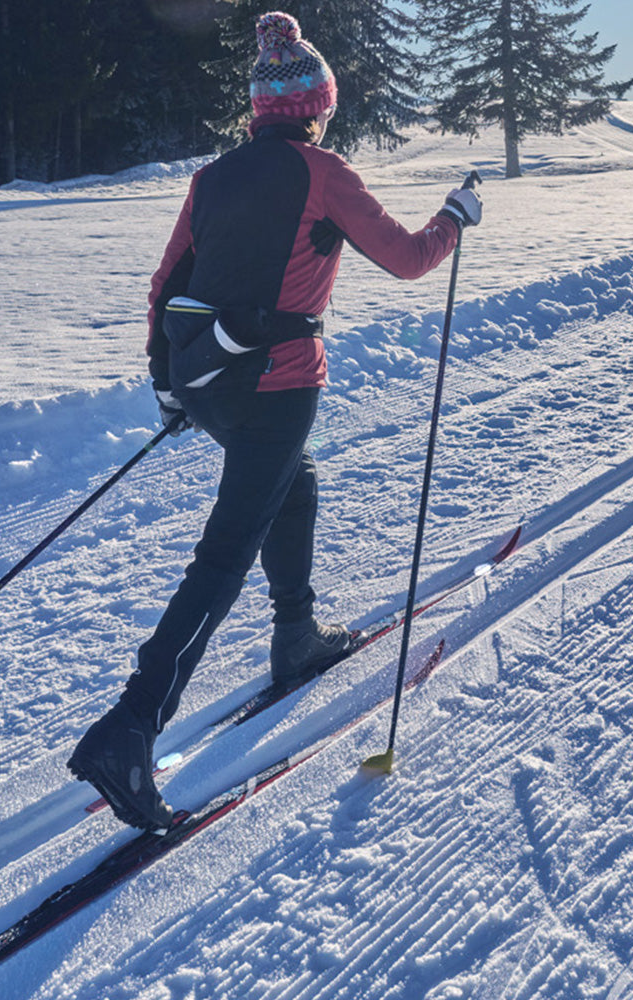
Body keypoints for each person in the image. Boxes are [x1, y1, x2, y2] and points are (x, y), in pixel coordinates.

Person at [67, 11, 482, 831]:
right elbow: (405, 259)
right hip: (280, 385)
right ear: (318, 107)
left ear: (260, 111)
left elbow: (165, 284)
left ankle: (295, 635)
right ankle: (130, 728)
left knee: (295, 485)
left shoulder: (212, 177)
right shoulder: (323, 172)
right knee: (228, 548)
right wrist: (455, 219)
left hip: (210, 377)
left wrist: (170, 385)